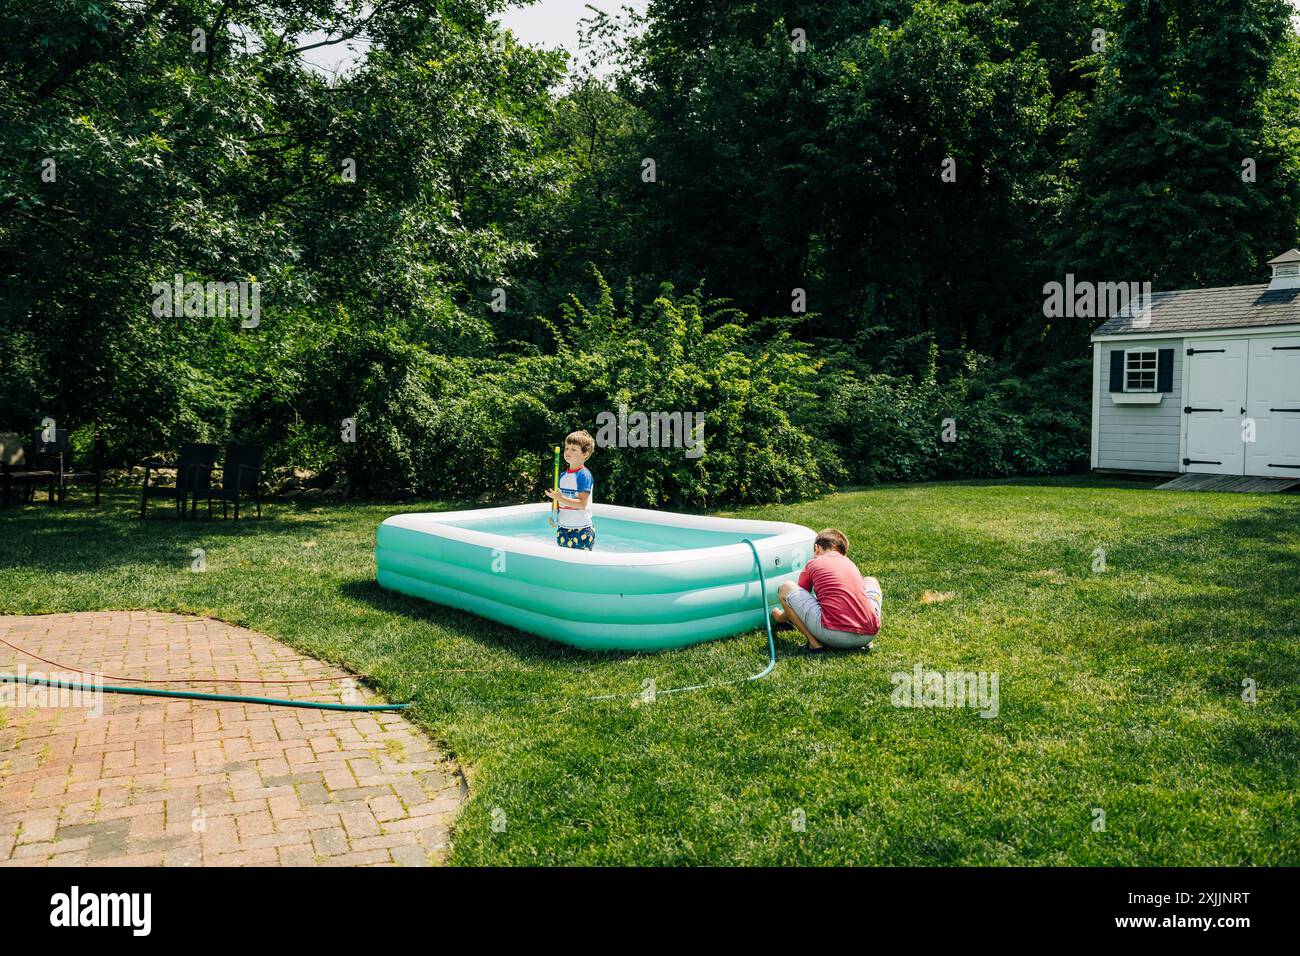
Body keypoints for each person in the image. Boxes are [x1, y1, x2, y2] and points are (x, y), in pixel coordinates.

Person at [772, 528, 881, 652]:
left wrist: (780, 616)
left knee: (786, 588)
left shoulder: (813, 563)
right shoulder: (850, 564)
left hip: (834, 635)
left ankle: (815, 645)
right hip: (868, 635)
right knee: (871, 581)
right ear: (842, 552)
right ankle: (864, 641)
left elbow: (795, 603)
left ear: (817, 548)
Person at [544, 430, 596, 550]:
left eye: (573, 449)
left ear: (585, 454)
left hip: (581, 530)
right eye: (567, 448)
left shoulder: (583, 475)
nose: (568, 452)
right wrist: (553, 514)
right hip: (563, 529)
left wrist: (559, 498)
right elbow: (556, 500)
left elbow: (582, 503)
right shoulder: (562, 476)